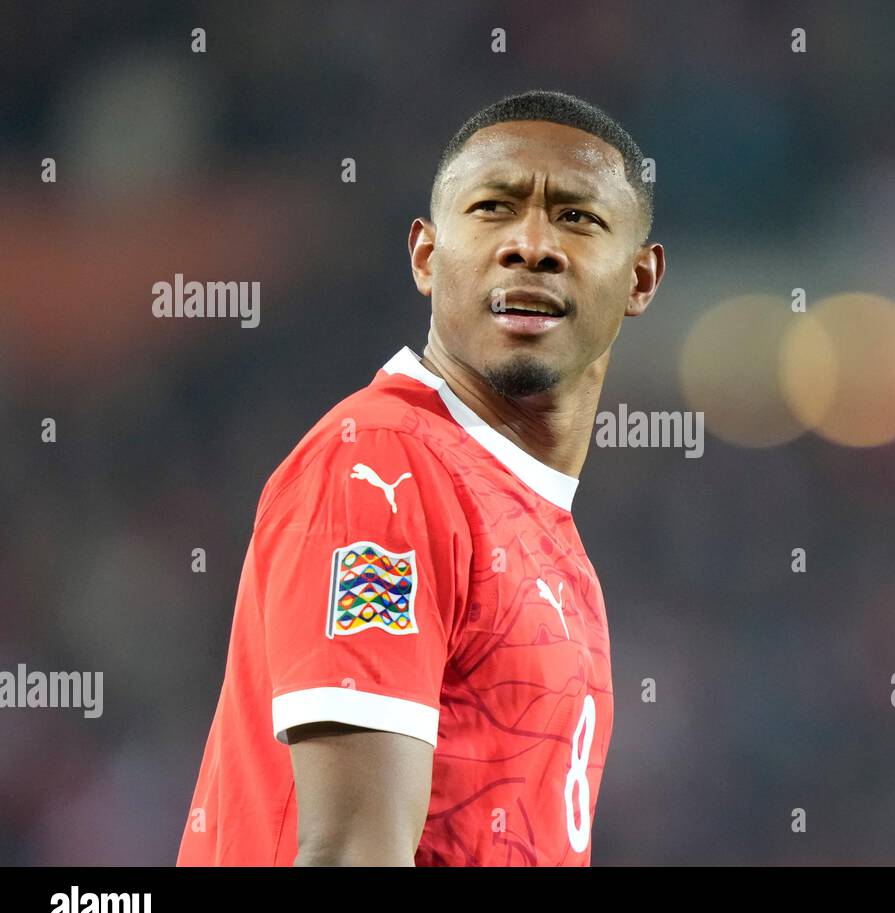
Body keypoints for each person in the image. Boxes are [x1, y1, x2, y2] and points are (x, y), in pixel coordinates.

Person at [177, 89, 666, 866]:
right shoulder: (381, 470)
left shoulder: (544, 535)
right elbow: (352, 852)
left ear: (641, 280)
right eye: (494, 209)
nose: (531, 244)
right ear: (426, 259)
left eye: (577, 217)